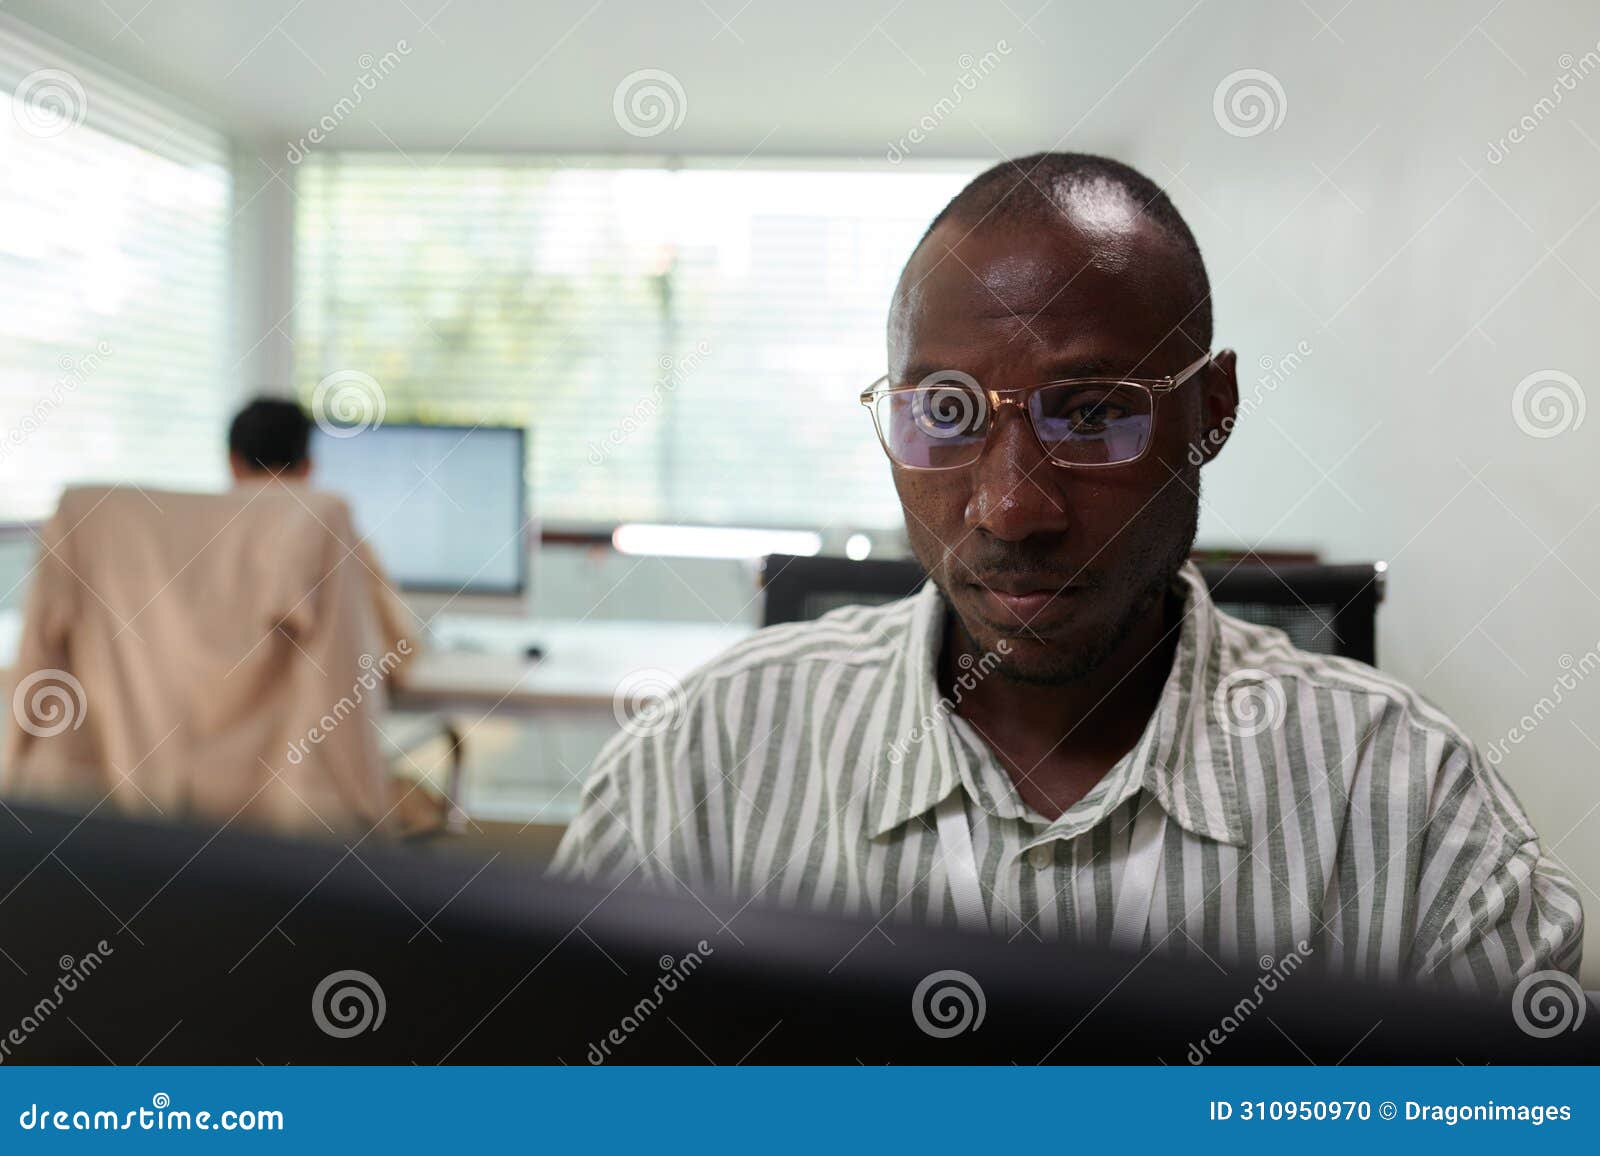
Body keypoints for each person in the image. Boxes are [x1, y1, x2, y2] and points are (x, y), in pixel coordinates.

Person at [553, 153, 1582, 993]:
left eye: (1090, 413)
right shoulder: (700, 766)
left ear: (1211, 411)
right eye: (945, 413)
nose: (1010, 507)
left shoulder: (1407, 808)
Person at [227, 397, 416, 676]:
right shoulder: (332, 534)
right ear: (307, 467)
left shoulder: (196, 538)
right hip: (318, 717)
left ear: (233, 463)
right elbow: (400, 652)